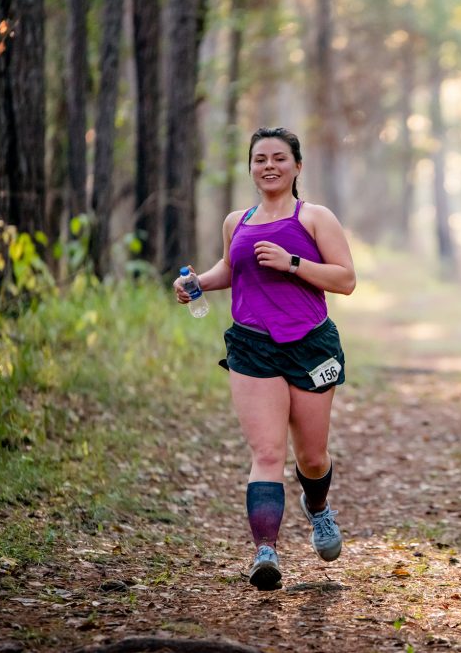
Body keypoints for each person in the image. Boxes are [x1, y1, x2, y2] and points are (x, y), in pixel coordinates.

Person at [173, 126, 356, 591]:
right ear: (251, 167)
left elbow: (345, 279)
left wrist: (293, 262)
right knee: (267, 452)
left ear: (297, 165)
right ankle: (265, 552)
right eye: (259, 159)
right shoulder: (238, 220)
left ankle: (317, 509)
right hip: (252, 346)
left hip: (310, 344)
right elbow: (230, 271)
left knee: (312, 458)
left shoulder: (314, 217)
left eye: (278, 158)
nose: (269, 166)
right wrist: (196, 282)